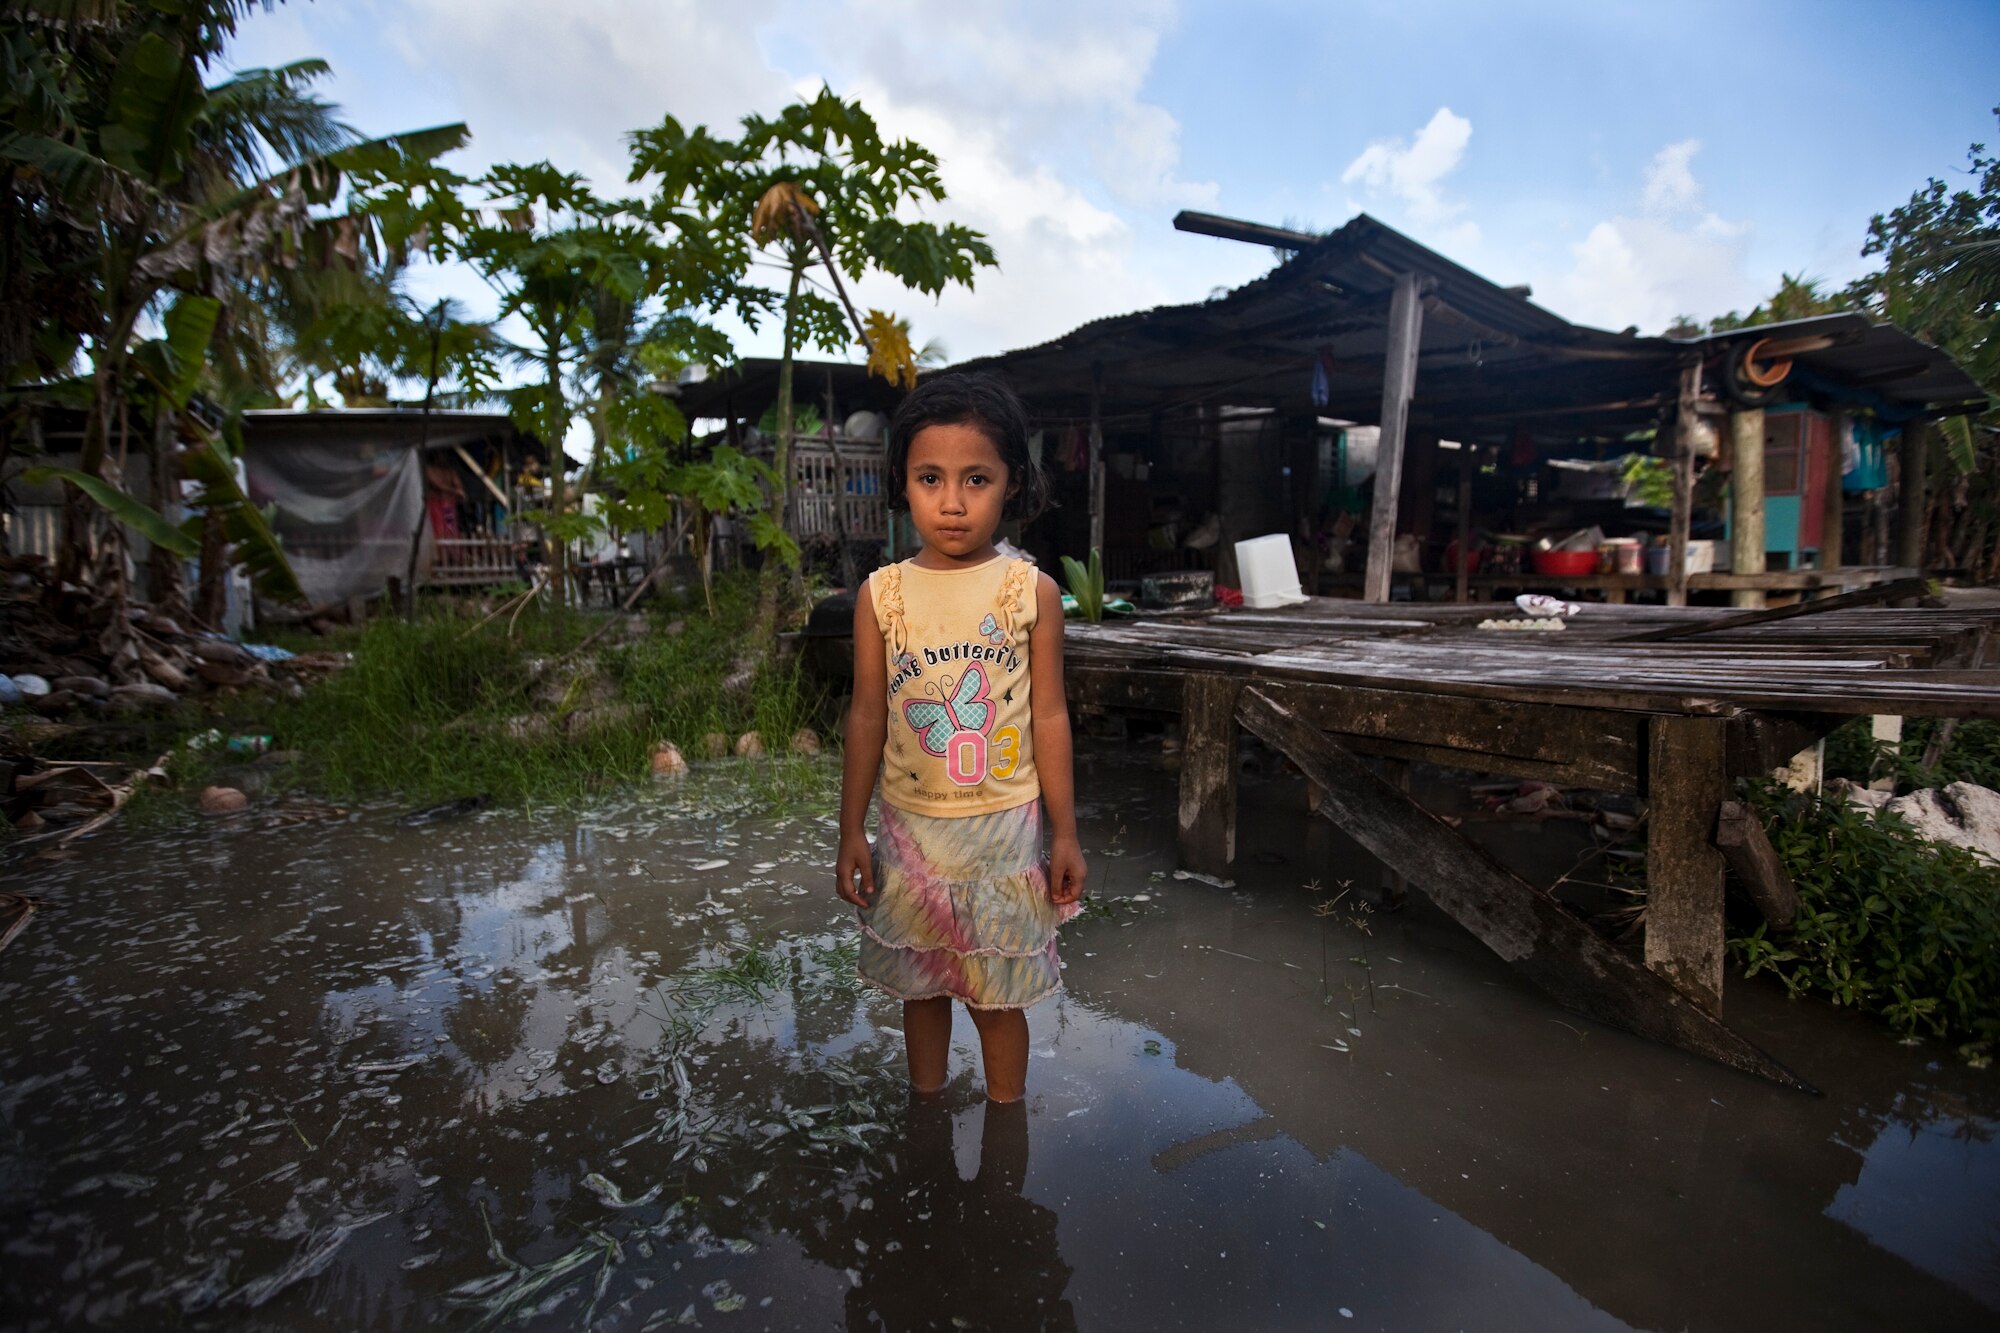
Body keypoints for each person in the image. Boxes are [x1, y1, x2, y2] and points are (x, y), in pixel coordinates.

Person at [836, 370, 1086, 1104]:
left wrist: (1065, 832)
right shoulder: (881, 594)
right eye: (930, 477)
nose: (951, 501)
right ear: (902, 482)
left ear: (1012, 482)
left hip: (1003, 834)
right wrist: (850, 827)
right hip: (912, 830)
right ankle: (929, 1118)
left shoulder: (1029, 591)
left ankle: (1008, 1131)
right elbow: (867, 715)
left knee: (995, 995)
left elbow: (1049, 717)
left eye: (976, 478)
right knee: (923, 988)